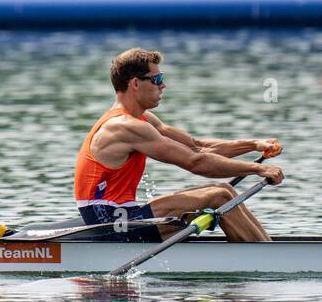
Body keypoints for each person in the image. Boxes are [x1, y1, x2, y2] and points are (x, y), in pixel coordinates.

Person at [74, 47, 283, 242]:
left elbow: (197, 147)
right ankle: (270, 259)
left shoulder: (144, 120)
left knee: (224, 189)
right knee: (218, 196)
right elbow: (195, 162)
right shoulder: (123, 126)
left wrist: (254, 145)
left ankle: (266, 248)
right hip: (110, 223)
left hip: (124, 215)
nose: (163, 85)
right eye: (157, 79)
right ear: (135, 84)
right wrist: (258, 168)